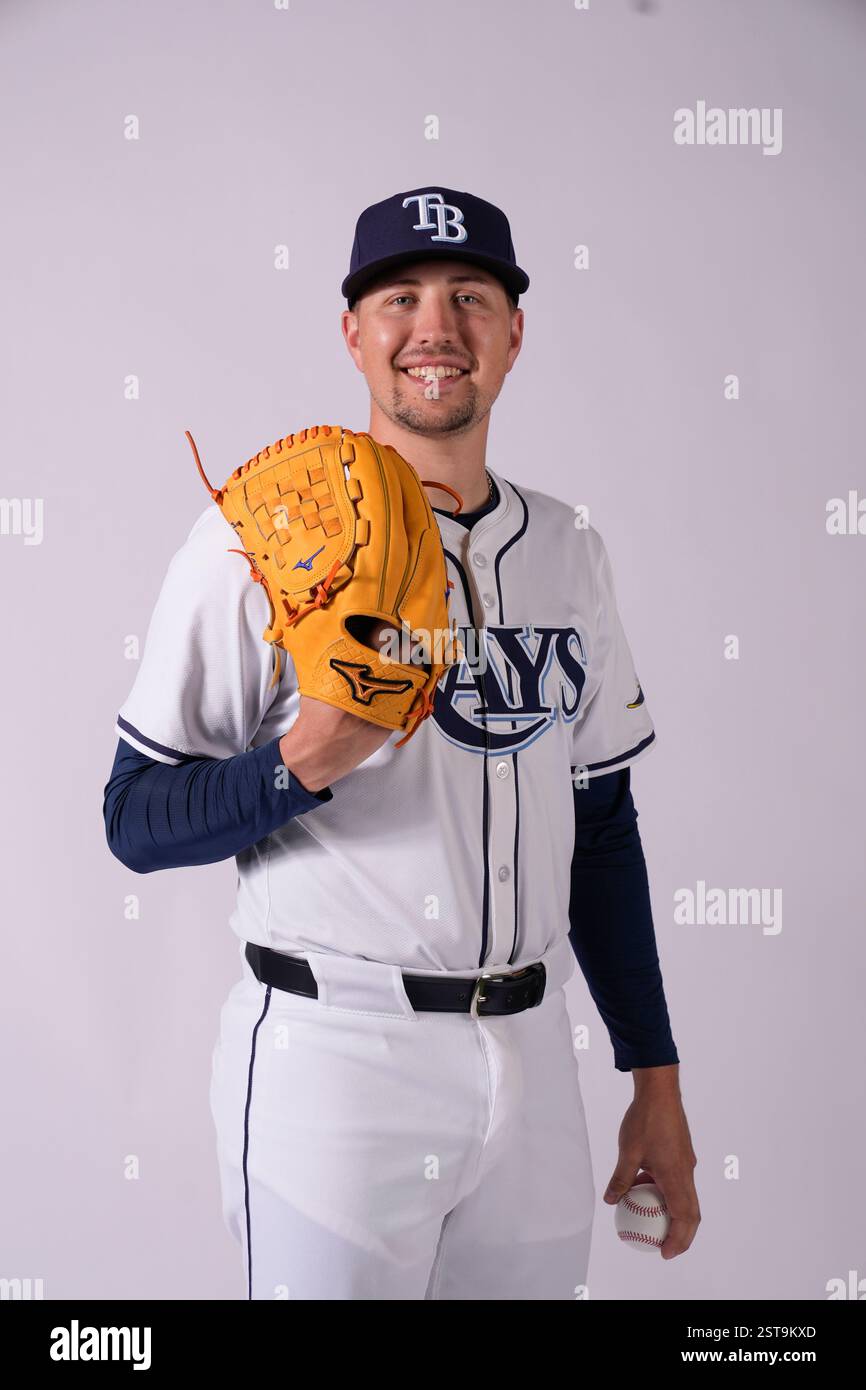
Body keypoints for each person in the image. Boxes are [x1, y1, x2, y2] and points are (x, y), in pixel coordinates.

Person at [103, 185, 699, 1300]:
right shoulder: (259, 538)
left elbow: (602, 827)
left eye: (470, 297)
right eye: (399, 298)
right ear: (354, 334)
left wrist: (651, 1076)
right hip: (334, 1063)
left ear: (513, 335)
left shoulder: (566, 546)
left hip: (533, 1065)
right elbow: (132, 818)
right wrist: (300, 763)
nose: (436, 328)